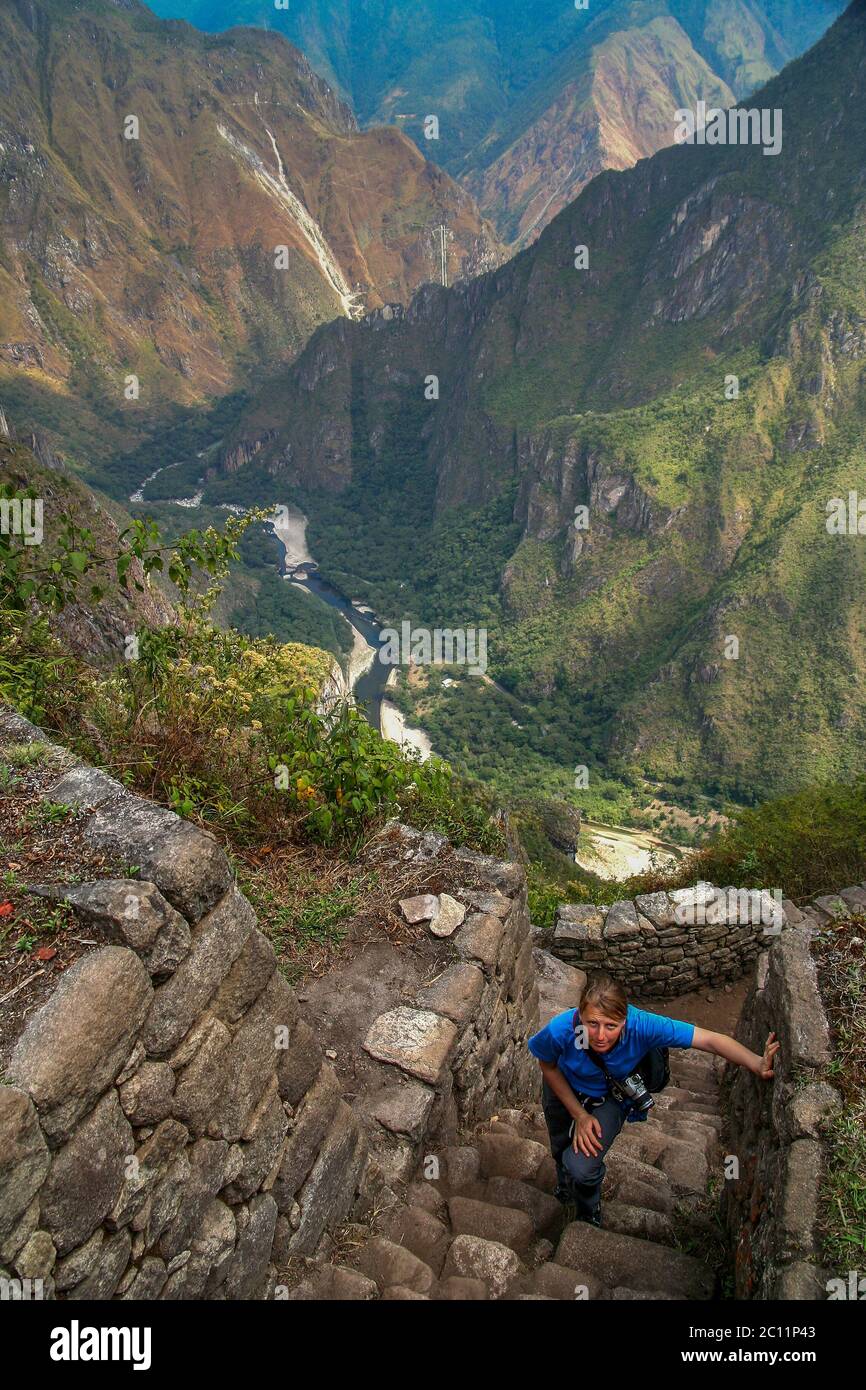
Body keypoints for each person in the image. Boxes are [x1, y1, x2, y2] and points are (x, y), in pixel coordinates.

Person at [528, 971, 780, 1227]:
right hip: (564, 1088)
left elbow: (709, 1040)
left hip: (610, 1096)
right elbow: (547, 1066)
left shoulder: (643, 1026)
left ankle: (587, 1209)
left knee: (580, 1166)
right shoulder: (561, 1030)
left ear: (625, 1020)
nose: (600, 1036)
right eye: (592, 1024)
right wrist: (579, 1115)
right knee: (560, 1143)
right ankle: (564, 1186)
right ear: (579, 1015)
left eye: (611, 1026)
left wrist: (757, 1062)